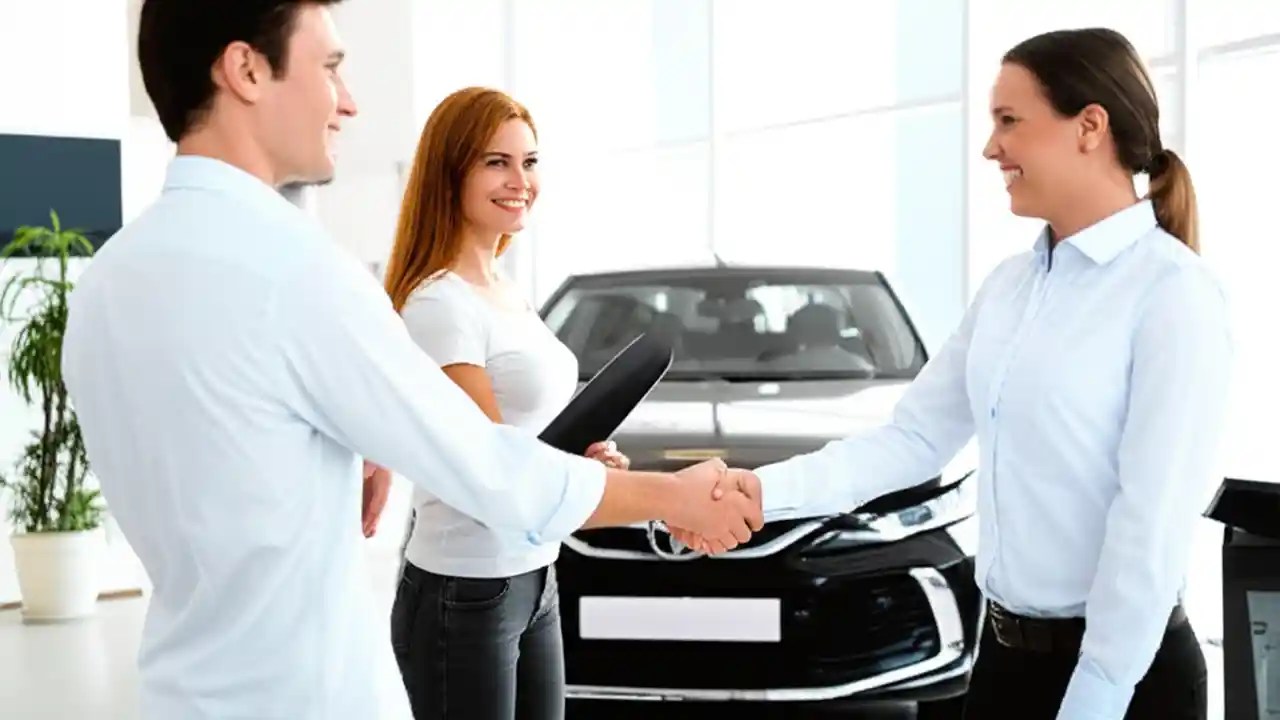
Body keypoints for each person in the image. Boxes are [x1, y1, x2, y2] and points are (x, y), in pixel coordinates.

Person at [59, 3, 762, 718]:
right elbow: (491, 472)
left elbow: (220, 445)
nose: (350, 100)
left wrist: (350, 437)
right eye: (330, 67)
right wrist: (671, 497)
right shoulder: (300, 271)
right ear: (246, 70)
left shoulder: (105, 284)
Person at [683, 27, 1230, 720]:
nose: (991, 147)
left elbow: (1149, 527)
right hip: (1005, 664)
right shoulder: (1010, 286)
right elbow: (911, 442)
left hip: (1120, 681)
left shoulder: (1174, 293)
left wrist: (1094, 699)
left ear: (1090, 126)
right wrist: (758, 492)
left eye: (1010, 121)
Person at [379, 86, 628, 720]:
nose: (521, 180)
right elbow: (491, 467)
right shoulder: (439, 305)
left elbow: (526, 440)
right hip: (467, 585)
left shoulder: (502, 288)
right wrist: (592, 486)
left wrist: (582, 457)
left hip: (534, 573)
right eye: (497, 162)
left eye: (530, 161)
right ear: (450, 172)